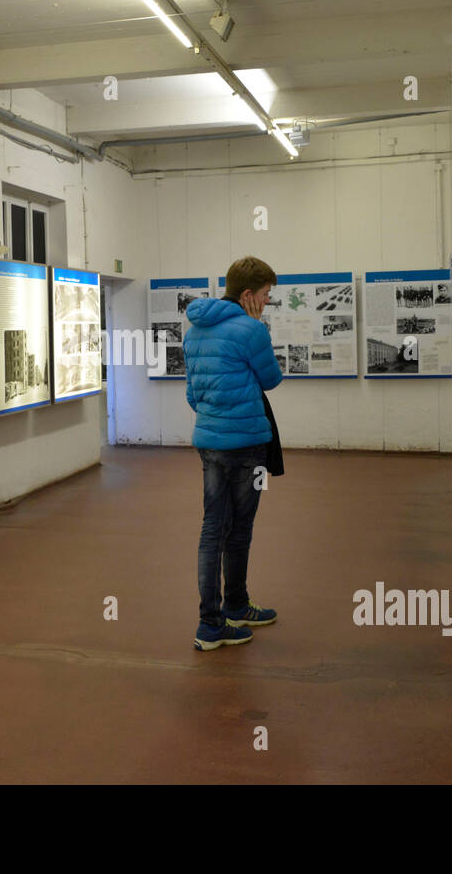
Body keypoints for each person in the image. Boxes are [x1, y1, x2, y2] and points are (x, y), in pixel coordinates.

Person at [183, 256, 283, 651]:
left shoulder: (194, 331)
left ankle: (213, 622)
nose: (267, 301)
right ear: (248, 295)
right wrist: (257, 327)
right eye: (265, 295)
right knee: (240, 528)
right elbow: (272, 380)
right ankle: (235, 607)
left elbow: (193, 394)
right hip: (249, 447)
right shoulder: (250, 329)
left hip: (209, 445)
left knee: (212, 529)